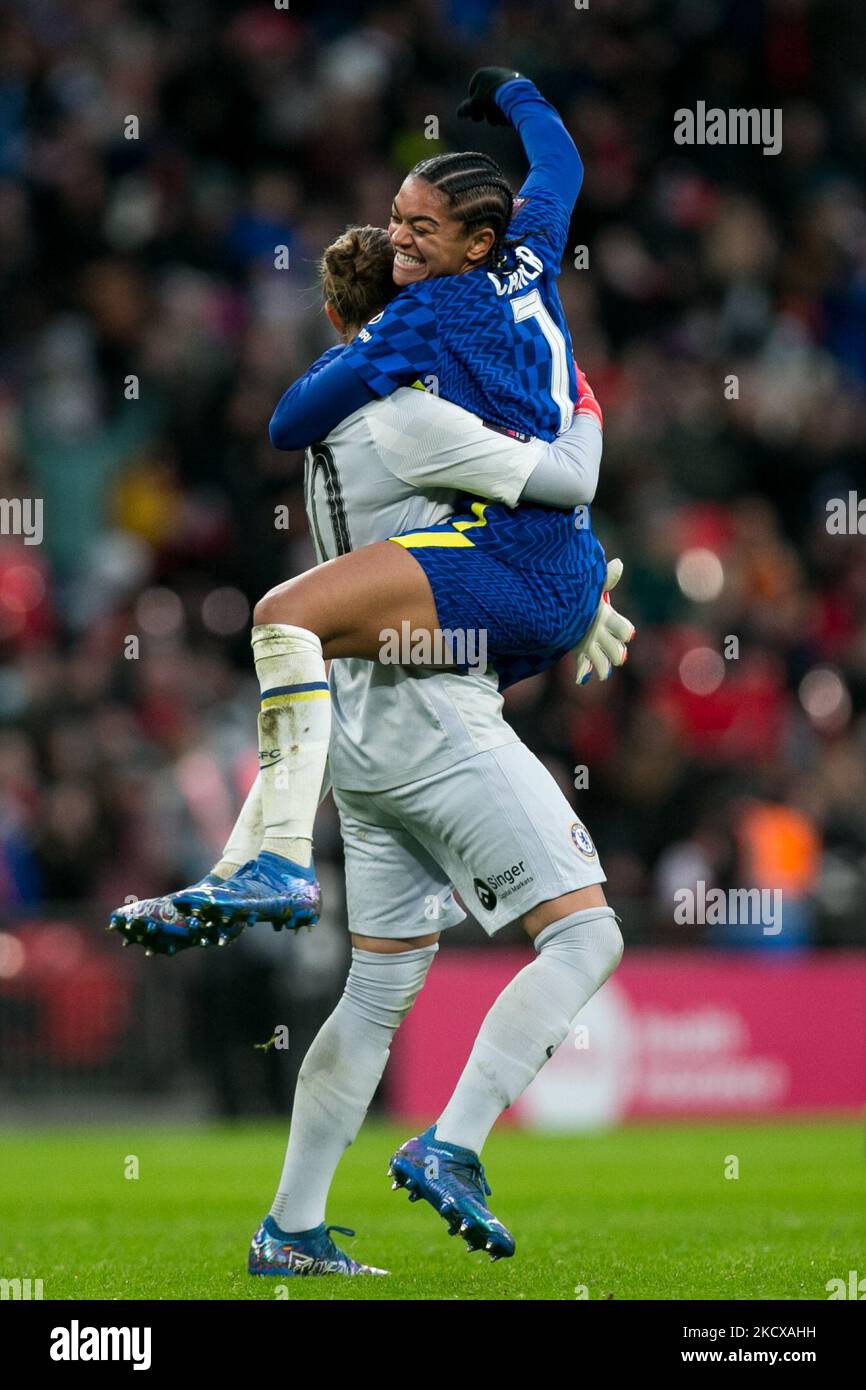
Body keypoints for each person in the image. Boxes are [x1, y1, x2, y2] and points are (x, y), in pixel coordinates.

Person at [112, 221, 626, 1279]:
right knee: (586, 939)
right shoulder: (413, 410)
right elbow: (550, 493)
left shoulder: (339, 402)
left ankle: (290, 1225)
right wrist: (581, 431)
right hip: (434, 711)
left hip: (355, 728)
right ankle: (454, 1141)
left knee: (378, 990)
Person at [111, 68, 633, 948]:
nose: (400, 234)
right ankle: (250, 864)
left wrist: (365, 358)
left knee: (289, 624)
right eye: (396, 218)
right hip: (457, 623)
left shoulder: (410, 367)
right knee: (380, 991)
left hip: (414, 676)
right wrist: (515, 93)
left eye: (417, 225)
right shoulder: (529, 254)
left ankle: (268, 859)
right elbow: (560, 167)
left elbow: (289, 421)